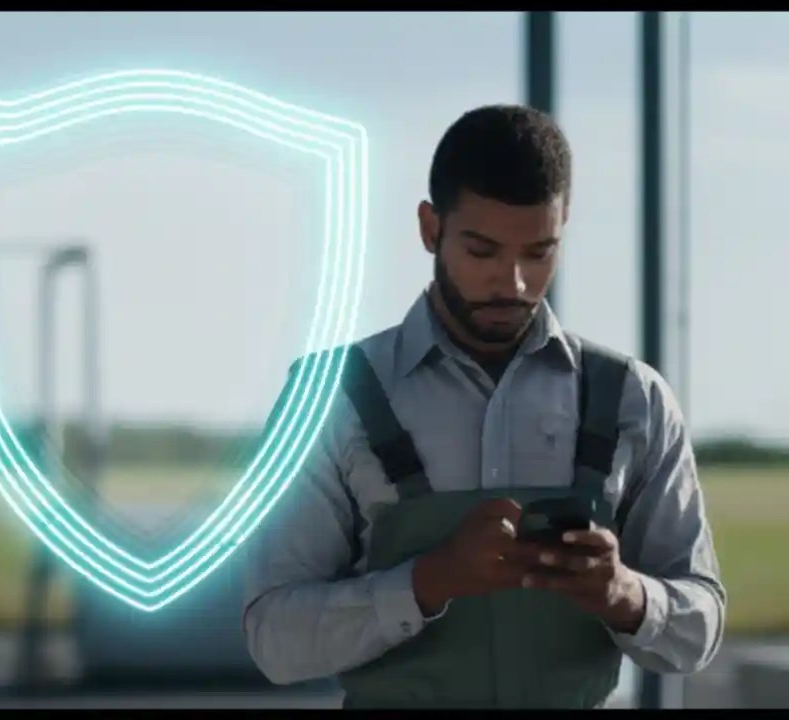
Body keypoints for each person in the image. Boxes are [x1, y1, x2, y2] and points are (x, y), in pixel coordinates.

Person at [241, 104, 726, 709]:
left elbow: (700, 628)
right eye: (482, 251)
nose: (513, 283)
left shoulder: (636, 399)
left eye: (539, 253)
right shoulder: (328, 398)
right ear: (430, 229)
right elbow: (275, 640)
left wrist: (624, 594)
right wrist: (428, 581)